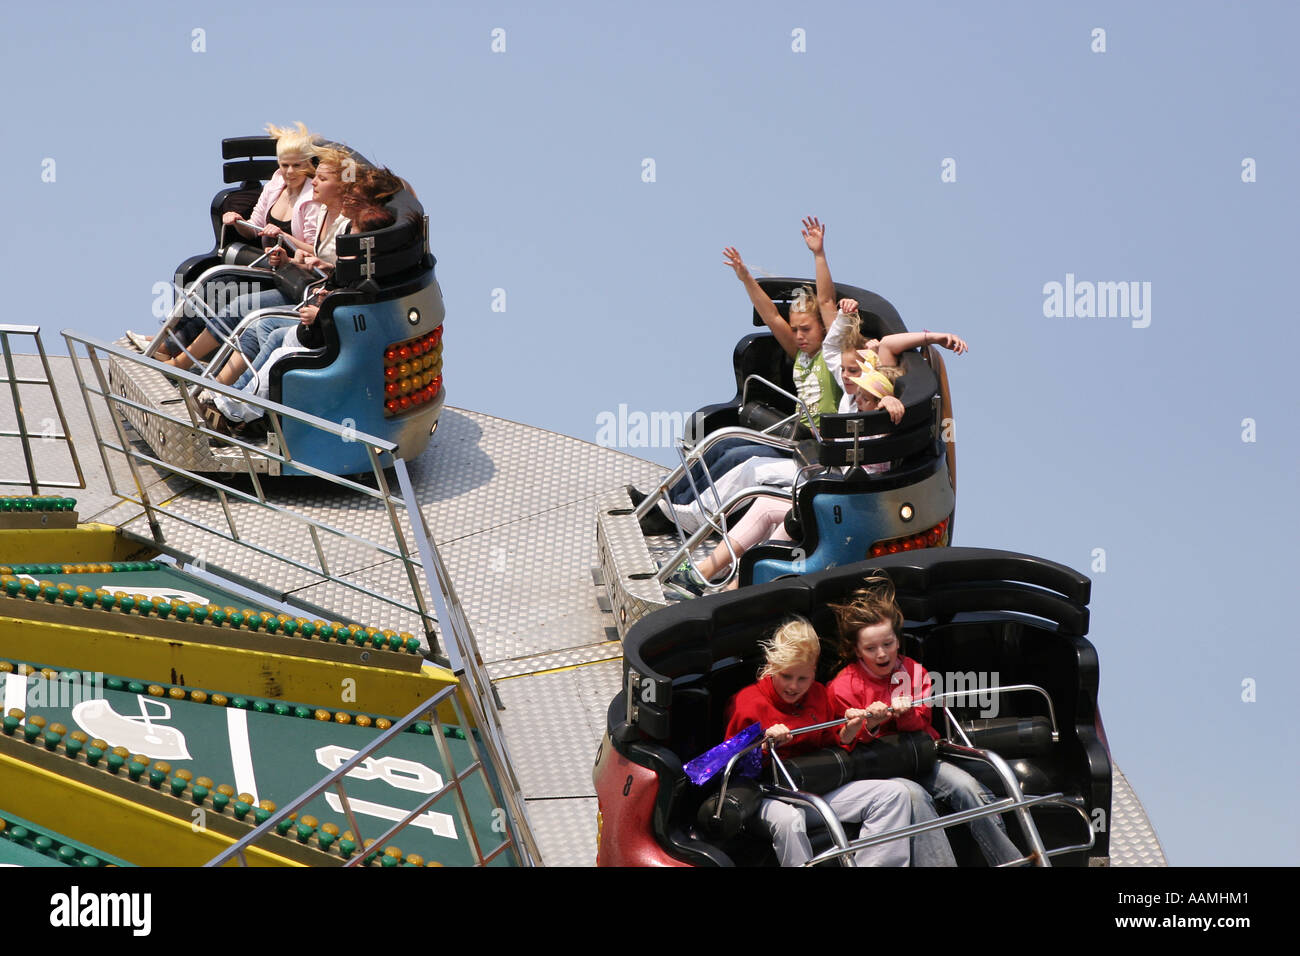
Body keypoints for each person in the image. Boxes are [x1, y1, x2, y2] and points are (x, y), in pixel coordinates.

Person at [828, 575, 1025, 866]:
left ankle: (1013, 862)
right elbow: (843, 741)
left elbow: (921, 723)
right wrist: (871, 724)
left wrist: (905, 711)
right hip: (879, 770)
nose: (882, 653)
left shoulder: (914, 671)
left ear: (898, 639)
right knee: (915, 799)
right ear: (856, 651)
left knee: (967, 788)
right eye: (871, 649)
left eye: (888, 643)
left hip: (921, 757)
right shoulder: (842, 686)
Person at [722, 617, 914, 867]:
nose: (793, 686)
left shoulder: (819, 694)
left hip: (812, 785)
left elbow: (831, 742)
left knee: (894, 795)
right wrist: (764, 746)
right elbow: (732, 768)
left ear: (814, 672)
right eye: (786, 676)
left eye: (803, 678)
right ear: (771, 667)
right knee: (789, 820)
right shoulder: (747, 703)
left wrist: (850, 729)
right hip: (764, 796)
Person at [134, 122, 321, 360]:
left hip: (291, 273)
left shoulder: (312, 199)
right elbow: (254, 230)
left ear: (308, 166)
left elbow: (315, 250)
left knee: (227, 287)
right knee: (213, 278)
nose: (290, 172)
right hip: (266, 264)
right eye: (285, 165)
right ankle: (171, 339)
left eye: (297, 165)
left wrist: (285, 237)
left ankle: (174, 348)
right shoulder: (276, 184)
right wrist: (237, 222)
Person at [169, 146, 355, 375]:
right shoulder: (324, 210)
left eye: (321, 178)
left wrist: (291, 244)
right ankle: (179, 356)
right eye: (315, 176)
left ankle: (193, 370)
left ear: (341, 186)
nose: (313, 181)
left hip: (314, 294)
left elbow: (342, 272)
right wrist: (291, 258)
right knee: (218, 287)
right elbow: (314, 256)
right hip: (301, 282)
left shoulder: (345, 223)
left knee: (242, 306)